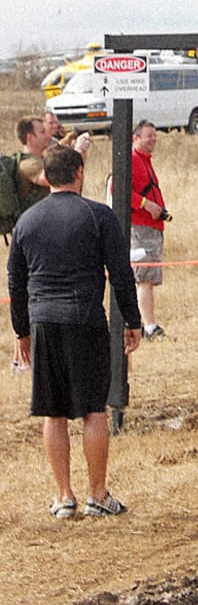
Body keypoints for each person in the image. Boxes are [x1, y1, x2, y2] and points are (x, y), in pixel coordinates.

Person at [7, 145, 142, 519]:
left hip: (43, 321)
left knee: (54, 413)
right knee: (94, 410)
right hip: (85, 319)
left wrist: (21, 331)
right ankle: (97, 495)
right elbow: (121, 274)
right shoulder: (99, 215)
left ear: (46, 177)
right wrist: (132, 321)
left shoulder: (27, 221)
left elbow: (16, 282)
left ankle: (64, 497)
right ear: (79, 172)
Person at [130, 121, 169, 339]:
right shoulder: (133, 160)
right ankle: (150, 327)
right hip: (141, 228)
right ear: (135, 138)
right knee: (145, 277)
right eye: (148, 136)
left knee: (148, 278)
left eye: (155, 135)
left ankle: (146, 324)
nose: (153, 139)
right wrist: (146, 204)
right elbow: (118, 190)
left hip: (152, 227)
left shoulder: (144, 160)